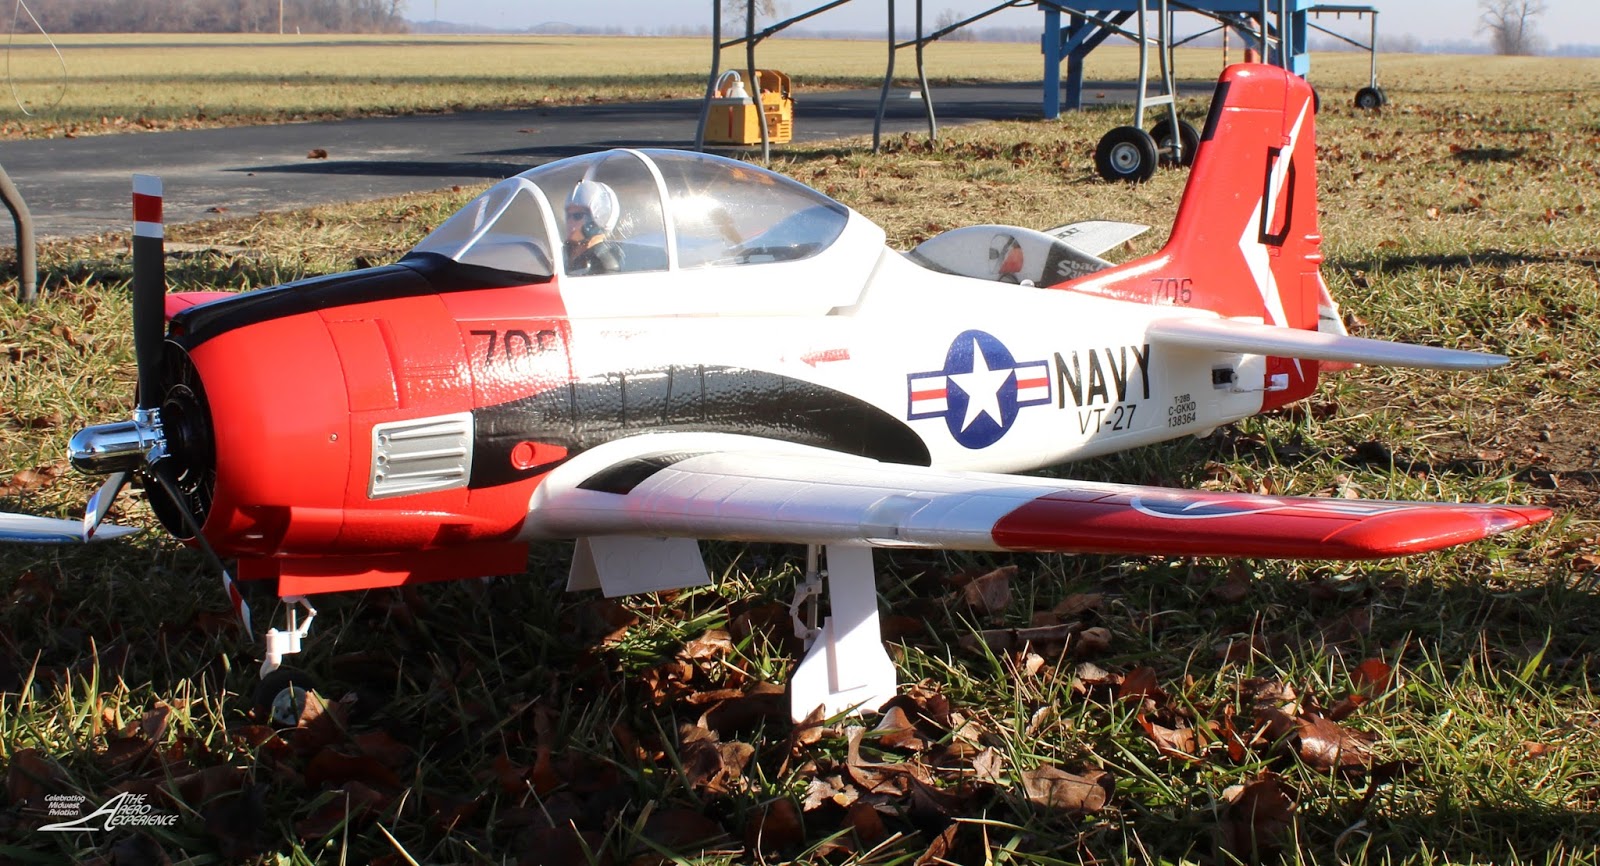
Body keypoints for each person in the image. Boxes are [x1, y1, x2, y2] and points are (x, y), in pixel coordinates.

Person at [563, 180, 623, 275]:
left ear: (595, 221)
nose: (569, 222)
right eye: (568, 216)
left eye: (577, 216)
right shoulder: (566, 254)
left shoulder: (603, 266)